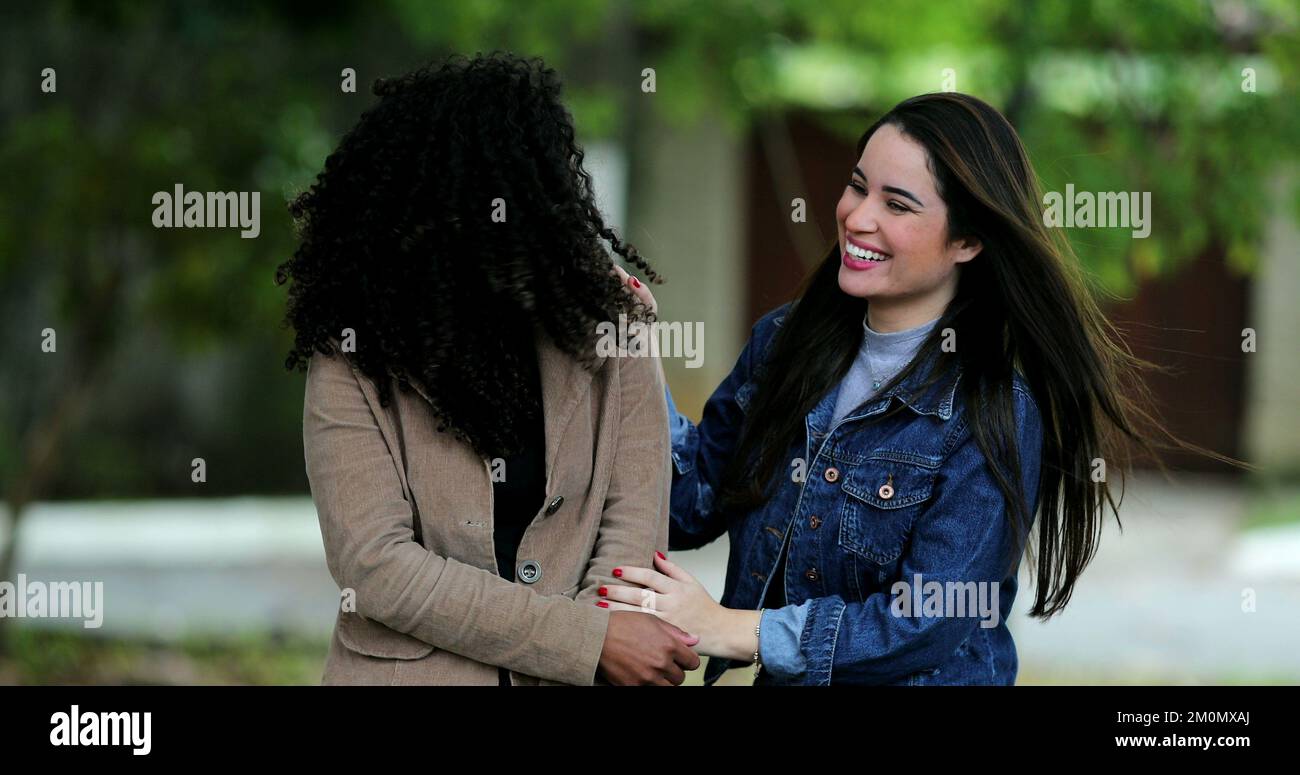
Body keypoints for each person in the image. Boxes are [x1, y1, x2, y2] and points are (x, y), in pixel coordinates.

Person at [604, 92, 1230, 685]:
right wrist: (631, 354)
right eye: (857, 186)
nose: (857, 216)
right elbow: (689, 499)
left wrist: (736, 629)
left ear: (968, 240)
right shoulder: (784, 346)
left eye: (897, 205)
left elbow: (925, 621)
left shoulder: (992, 409)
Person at [277, 52, 699, 685]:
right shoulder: (355, 346)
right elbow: (376, 566)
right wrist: (584, 642)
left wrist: (591, 650)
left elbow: (632, 521)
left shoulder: (613, 316)